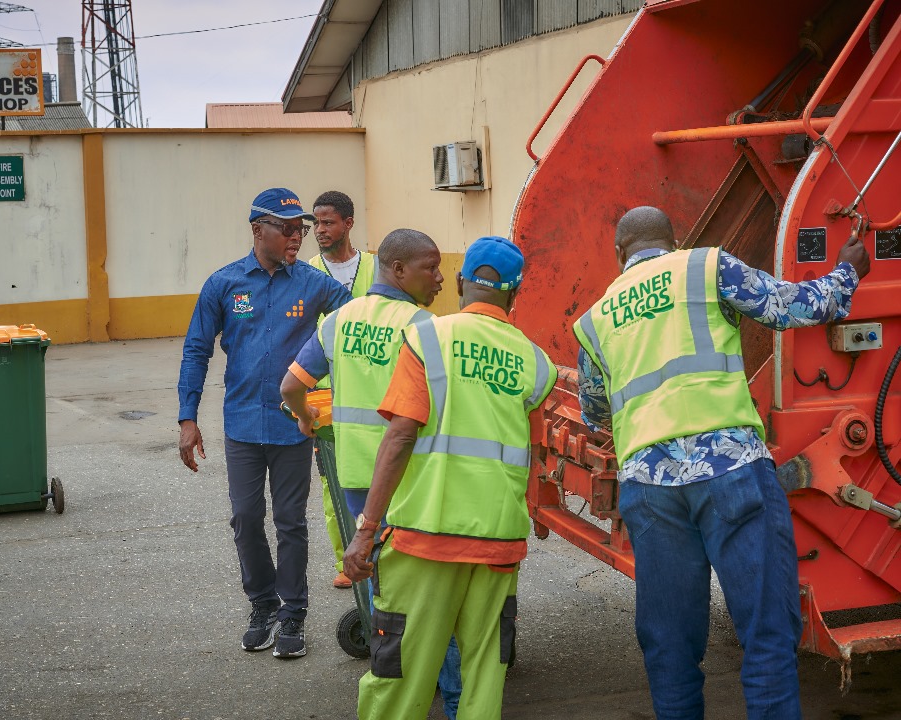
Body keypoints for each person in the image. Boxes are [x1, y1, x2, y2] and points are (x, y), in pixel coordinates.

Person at [571, 206, 870, 720]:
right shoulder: (704, 266)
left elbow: (595, 412)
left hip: (650, 486)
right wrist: (848, 272)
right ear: (674, 240)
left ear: (619, 254)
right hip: (731, 471)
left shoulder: (594, 320)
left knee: (669, 648)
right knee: (767, 634)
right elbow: (792, 307)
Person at [343, 236, 557, 720]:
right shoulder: (535, 362)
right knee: (484, 672)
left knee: (402, 672)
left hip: (425, 538)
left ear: (461, 282)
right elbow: (534, 456)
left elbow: (399, 438)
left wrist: (365, 530)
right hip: (499, 543)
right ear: (515, 293)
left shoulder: (427, 339)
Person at [282, 228, 463, 717]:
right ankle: (448, 690)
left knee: (380, 588)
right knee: (430, 588)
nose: (440, 277)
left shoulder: (340, 320)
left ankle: (394, 686)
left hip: (358, 477)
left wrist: (305, 418)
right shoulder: (429, 328)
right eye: (431, 267)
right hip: (415, 480)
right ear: (398, 269)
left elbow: (291, 385)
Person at [177, 187, 353, 660]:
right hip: (242, 426)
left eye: (303, 228)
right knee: (245, 517)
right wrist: (187, 417)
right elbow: (197, 348)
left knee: (291, 521)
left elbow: (357, 316)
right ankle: (262, 605)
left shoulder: (313, 285)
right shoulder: (224, 283)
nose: (300, 236)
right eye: (289, 228)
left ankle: (293, 614)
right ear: (259, 230)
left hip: (294, 424)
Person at [307, 190, 378, 589]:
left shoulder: (376, 267)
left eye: (328, 222)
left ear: (348, 223)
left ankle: (381, 551)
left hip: (373, 390)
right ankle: (346, 561)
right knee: (334, 480)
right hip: (327, 396)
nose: (319, 230)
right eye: (316, 223)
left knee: (379, 472)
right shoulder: (307, 272)